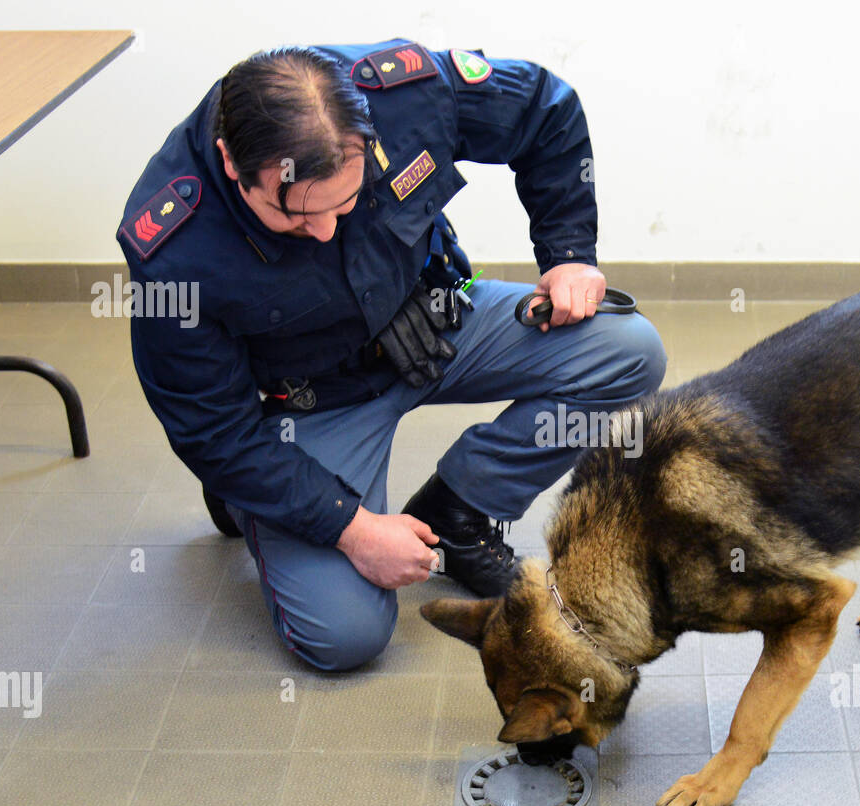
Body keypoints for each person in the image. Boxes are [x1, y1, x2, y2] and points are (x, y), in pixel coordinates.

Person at [117, 41, 666, 670]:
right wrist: (351, 527)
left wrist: (569, 253)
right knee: (344, 636)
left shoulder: (406, 94)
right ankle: (255, 498)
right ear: (232, 164)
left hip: (430, 324)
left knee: (628, 353)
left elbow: (546, 108)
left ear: (366, 137)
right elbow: (212, 431)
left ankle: (459, 510)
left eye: (345, 204)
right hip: (313, 402)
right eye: (295, 218)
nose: (324, 231)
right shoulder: (174, 255)